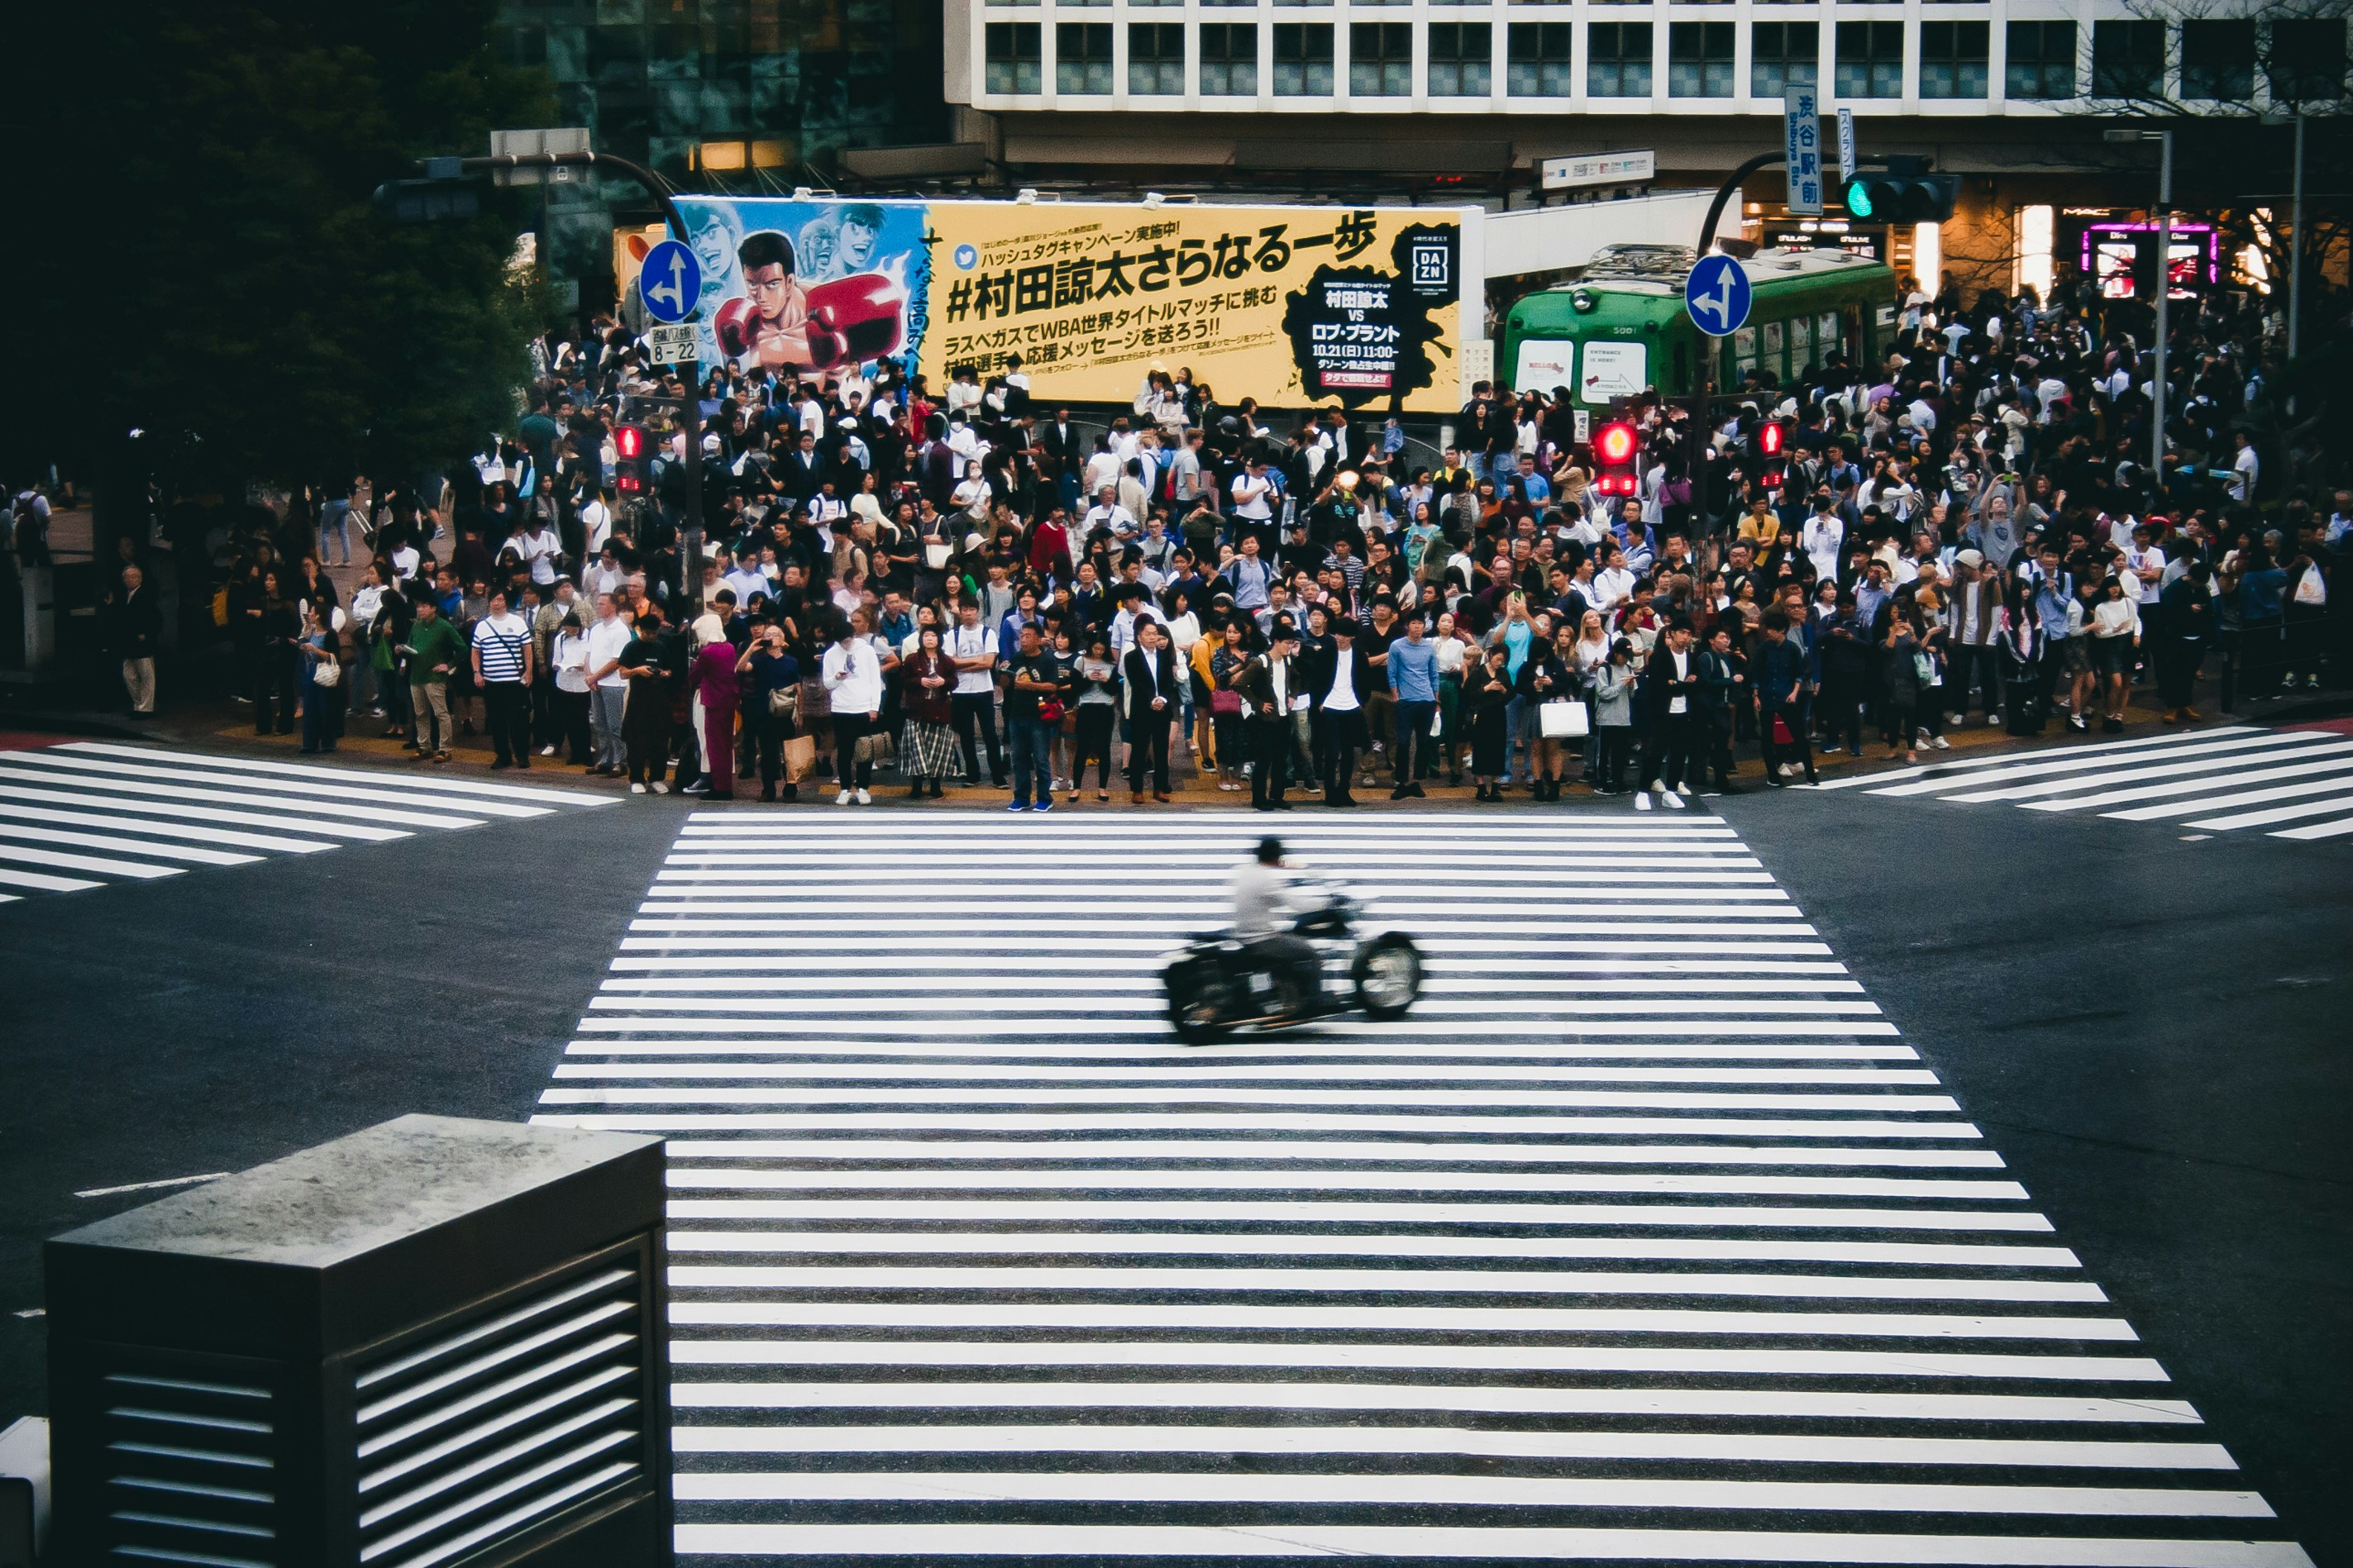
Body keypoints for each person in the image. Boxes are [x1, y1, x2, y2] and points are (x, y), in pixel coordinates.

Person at [1227, 836, 1324, 1018]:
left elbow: (1266, 898)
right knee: (1310, 953)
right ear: (1275, 857)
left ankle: (1287, 990)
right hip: (1261, 938)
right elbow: (1296, 905)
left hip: (1243, 932)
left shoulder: (1247, 871)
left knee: (1289, 939)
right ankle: (1313, 1002)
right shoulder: (1266, 879)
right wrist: (1325, 904)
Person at [1309, 616, 1372, 808]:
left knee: (1348, 752)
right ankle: (1330, 792)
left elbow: (1365, 681)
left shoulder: (1360, 655)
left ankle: (1344, 790)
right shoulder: (1325, 654)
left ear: (1352, 637)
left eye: (1345, 635)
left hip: (1352, 706)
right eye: (1338, 634)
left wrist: (1361, 702)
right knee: (1331, 751)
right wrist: (1319, 702)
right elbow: (1315, 680)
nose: (1341, 638)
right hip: (1330, 706)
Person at [822, 613, 885, 804]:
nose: (846, 645)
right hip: (841, 708)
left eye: (848, 641)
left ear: (853, 636)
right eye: (842, 642)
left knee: (865, 751)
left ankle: (863, 788)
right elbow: (827, 683)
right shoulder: (831, 654)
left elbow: (876, 680)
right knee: (844, 751)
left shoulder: (866, 651)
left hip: (863, 707)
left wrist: (874, 707)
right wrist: (837, 678)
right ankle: (845, 788)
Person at [1237, 622, 1301, 810]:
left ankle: (1276, 797)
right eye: (1287, 643)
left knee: (1281, 759)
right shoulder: (1261, 662)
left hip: (1283, 717)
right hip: (1265, 720)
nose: (1290, 646)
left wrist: (1292, 696)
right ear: (1276, 641)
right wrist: (1258, 703)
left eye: (1292, 643)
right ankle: (1258, 799)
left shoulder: (1288, 661)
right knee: (1264, 760)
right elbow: (1240, 684)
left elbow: (1297, 678)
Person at [470, 589, 535, 769]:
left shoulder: (517, 622)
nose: (496, 603)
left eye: (500, 599)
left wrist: (529, 671)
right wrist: (477, 672)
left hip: (514, 681)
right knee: (496, 721)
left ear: (506, 602)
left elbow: (527, 648)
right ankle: (502, 755)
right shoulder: (482, 625)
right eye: (493, 599)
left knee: (518, 720)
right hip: (492, 682)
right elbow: (475, 651)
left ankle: (522, 755)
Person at [1638, 622, 1701, 806]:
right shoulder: (1660, 656)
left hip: (1684, 712)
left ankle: (1671, 790)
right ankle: (1642, 791)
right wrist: (1682, 684)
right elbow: (1660, 685)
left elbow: (1696, 683)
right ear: (1672, 634)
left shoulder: (1691, 657)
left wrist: (1677, 684)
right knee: (1656, 753)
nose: (1686, 637)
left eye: (1689, 633)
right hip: (1662, 712)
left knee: (1679, 753)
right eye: (1682, 632)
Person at [1001, 622, 1062, 812]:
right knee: (1018, 758)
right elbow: (1007, 684)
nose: (1024, 639)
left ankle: (1045, 797)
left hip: (1039, 716)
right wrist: (1002, 673)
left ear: (1037, 638)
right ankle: (1021, 797)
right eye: (1021, 636)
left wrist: (1029, 686)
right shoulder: (1016, 658)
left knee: (1041, 759)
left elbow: (1052, 686)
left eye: (1028, 636)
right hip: (1016, 714)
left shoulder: (1047, 660)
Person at [1122, 617, 1181, 803]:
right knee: (1139, 749)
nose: (1153, 637)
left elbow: (1168, 682)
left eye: (1155, 633)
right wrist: (1151, 699)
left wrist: (1162, 699)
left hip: (1163, 708)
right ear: (1140, 637)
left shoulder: (1165, 655)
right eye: (1149, 634)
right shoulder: (1131, 657)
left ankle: (1160, 787)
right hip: (1142, 708)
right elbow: (1136, 683)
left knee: (1162, 749)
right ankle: (1137, 789)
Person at [402, 593, 465, 764]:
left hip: (434, 676)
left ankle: (445, 748)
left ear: (434, 608)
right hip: (416, 675)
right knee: (420, 713)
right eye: (418, 607)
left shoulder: (444, 626)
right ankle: (425, 746)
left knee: (441, 713)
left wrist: (449, 665)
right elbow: (410, 645)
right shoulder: (416, 626)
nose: (420, 610)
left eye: (423, 606)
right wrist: (403, 651)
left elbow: (462, 648)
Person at [685, 613, 742, 798]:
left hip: (712, 701)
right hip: (728, 700)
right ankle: (726, 785)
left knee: (714, 746)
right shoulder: (730, 648)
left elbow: (695, 675)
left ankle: (719, 788)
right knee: (725, 745)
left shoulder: (707, 652)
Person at [897, 623, 957, 798]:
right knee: (917, 749)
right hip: (917, 710)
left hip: (940, 708)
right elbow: (903, 680)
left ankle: (935, 785)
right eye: (926, 636)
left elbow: (954, 681)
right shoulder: (912, 659)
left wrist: (943, 682)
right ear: (921, 639)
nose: (929, 639)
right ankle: (916, 786)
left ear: (939, 639)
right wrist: (920, 681)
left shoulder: (947, 661)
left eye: (933, 636)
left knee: (937, 749)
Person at [617, 608, 672, 794]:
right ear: (641, 630)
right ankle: (636, 778)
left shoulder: (662, 647)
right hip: (638, 700)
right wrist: (638, 670)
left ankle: (657, 778)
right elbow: (623, 673)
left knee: (660, 742)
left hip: (659, 700)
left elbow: (670, 670)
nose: (651, 636)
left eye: (654, 633)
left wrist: (664, 673)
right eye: (648, 632)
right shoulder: (632, 647)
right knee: (636, 741)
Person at [1387, 609, 1438, 798]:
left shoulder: (1429, 647)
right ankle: (1401, 781)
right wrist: (1395, 696)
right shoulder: (1397, 646)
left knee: (1423, 742)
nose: (1417, 627)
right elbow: (1392, 673)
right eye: (1413, 623)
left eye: (1420, 623)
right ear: (1408, 625)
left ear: (1425, 626)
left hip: (1426, 699)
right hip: (1405, 700)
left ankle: (1416, 781)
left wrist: (1436, 698)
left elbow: (1434, 675)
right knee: (1403, 741)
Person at [2157, 560, 2212, 724]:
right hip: (2178, 638)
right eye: (2197, 582)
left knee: (2189, 672)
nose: (2199, 585)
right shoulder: (2174, 589)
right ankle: (2172, 707)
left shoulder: (2202, 589)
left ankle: (2185, 704)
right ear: (2190, 577)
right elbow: (2167, 613)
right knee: (2175, 672)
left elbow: (2209, 609)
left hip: (2197, 637)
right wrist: (2188, 609)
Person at [1070, 634, 1119, 803]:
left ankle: (1102, 788)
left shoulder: (1111, 664)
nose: (1098, 652)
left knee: (1104, 748)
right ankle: (1077, 787)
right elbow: (1076, 687)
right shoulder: (1081, 662)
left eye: (1102, 649)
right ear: (1090, 647)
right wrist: (1089, 679)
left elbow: (1114, 690)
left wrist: (1105, 681)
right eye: (1096, 648)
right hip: (1086, 707)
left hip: (1105, 708)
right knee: (1082, 748)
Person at [107, 564, 161, 716]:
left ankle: (145, 708)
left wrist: (147, 634)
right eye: (128, 576)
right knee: (129, 676)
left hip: (142, 642)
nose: (131, 579)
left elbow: (156, 619)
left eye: (135, 576)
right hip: (129, 642)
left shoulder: (146, 595)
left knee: (146, 676)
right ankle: (139, 705)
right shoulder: (125, 596)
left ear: (141, 578)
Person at [1463, 642, 1513, 801]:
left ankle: (1495, 786)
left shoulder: (1504, 673)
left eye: (1503, 660)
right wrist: (1487, 688)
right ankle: (1480, 785)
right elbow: (1469, 694)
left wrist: (1503, 690)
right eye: (1498, 659)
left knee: (1498, 749)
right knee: (1481, 748)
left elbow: (1511, 694)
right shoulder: (1479, 672)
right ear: (1491, 655)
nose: (1500, 663)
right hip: (1482, 714)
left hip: (1498, 714)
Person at [549, 612, 593, 766]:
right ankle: (575, 753)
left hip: (582, 684)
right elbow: (556, 660)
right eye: (567, 629)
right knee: (570, 721)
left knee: (582, 720)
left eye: (573, 629)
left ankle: (586, 754)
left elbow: (590, 657)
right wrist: (558, 665)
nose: (570, 632)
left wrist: (583, 666)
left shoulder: (588, 636)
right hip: (565, 682)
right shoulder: (560, 638)